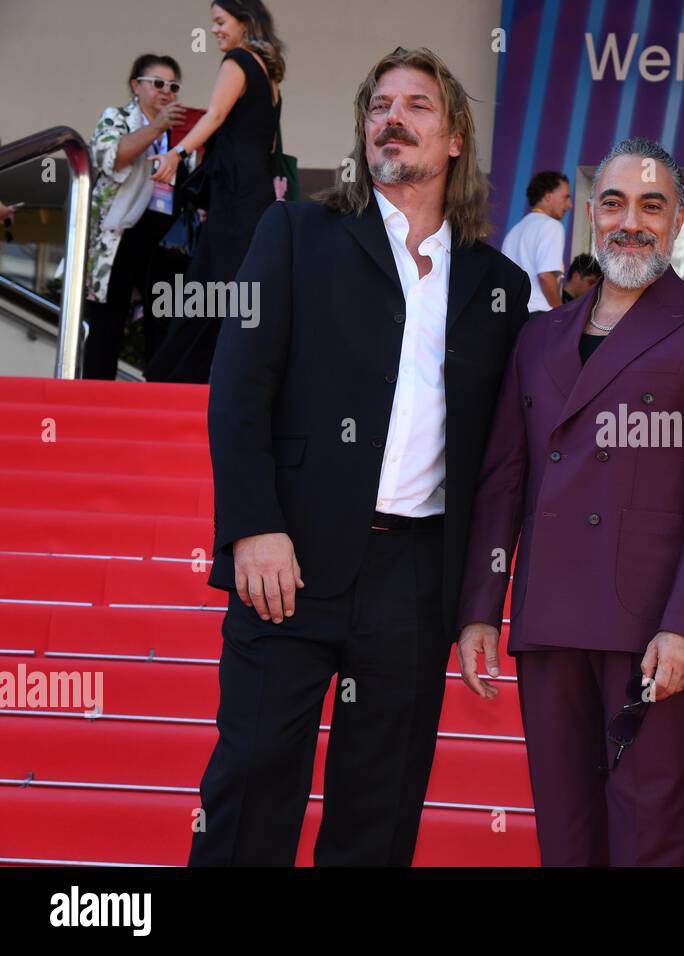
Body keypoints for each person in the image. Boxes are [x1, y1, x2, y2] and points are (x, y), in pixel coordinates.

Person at [189, 47, 531, 866]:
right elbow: (238, 391)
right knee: (252, 781)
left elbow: (498, 457)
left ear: (454, 139)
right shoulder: (300, 231)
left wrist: (481, 597)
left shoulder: (499, 284)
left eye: (417, 105)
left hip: (414, 580)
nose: (393, 118)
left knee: (380, 809)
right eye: (380, 104)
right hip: (289, 560)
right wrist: (252, 529)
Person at [456, 136, 684, 866]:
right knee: (566, 833)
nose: (632, 221)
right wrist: (480, 606)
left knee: (648, 833)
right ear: (591, 216)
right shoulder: (539, 337)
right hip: (550, 618)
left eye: (652, 206)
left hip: (650, 627)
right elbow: (504, 479)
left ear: (679, 221)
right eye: (616, 204)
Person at [144, 0, 285, 383]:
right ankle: (208, 377)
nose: (214, 30)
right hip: (255, 194)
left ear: (245, 22)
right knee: (229, 285)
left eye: (221, 22)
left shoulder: (238, 61)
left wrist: (176, 152)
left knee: (212, 285)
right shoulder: (270, 76)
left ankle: (171, 379)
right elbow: (269, 145)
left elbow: (215, 115)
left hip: (235, 192)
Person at [82, 55, 188, 379]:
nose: (166, 92)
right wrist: (156, 126)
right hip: (118, 237)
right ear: (136, 86)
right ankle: (94, 402)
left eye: (173, 86)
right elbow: (107, 158)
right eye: (158, 83)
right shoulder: (118, 117)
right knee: (106, 324)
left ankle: (159, 392)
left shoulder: (179, 132)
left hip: (160, 240)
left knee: (168, 315)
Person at [500, 170, 570, 313]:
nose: (570, 205)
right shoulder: (552, 226)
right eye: (566, 197)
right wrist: (560, 313)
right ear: (548, 196)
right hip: (539, 315)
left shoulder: (514, 232)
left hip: (512, 316)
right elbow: (545, 275)